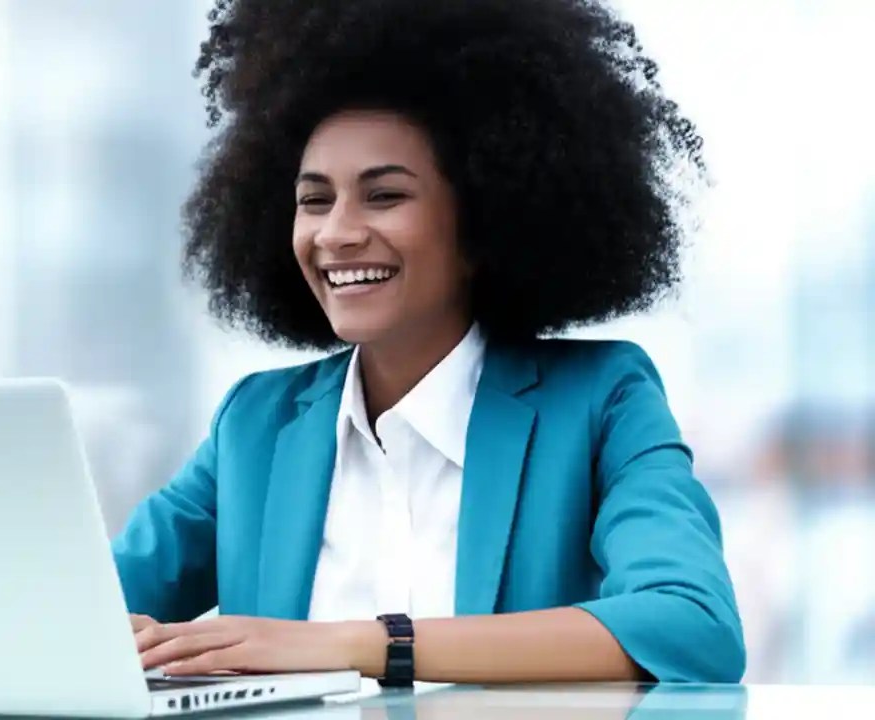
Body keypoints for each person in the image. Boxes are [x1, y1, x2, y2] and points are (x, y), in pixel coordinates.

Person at [113, 0, 745, 685]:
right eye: (315, 200)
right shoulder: (255, 426)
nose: (337, 234)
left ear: (481, 221)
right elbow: (78, 607)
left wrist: (358, 645)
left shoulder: (600, 400)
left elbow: (693, 626)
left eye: (384, 196)